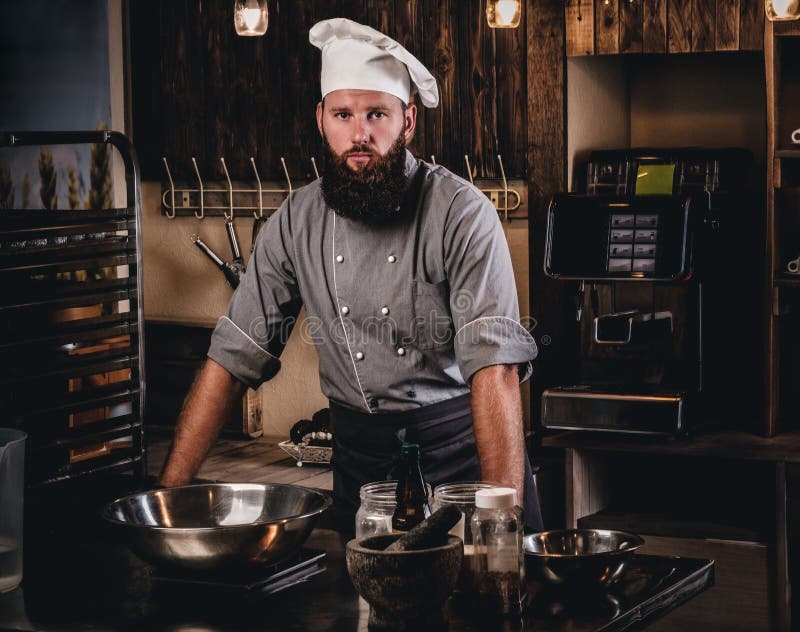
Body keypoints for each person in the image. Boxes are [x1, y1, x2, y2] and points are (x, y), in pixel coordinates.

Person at [159, 18, 543, 531]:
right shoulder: (295, 222)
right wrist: (164, 502)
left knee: (483, 605)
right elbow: (231, 360)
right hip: (361, 479)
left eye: (376, 114)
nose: (359, 134)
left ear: (407, 122)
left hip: (463, 471)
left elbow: (495, 371)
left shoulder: (460, 214)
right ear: (321, 119)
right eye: (344, 114)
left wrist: (502, 523)